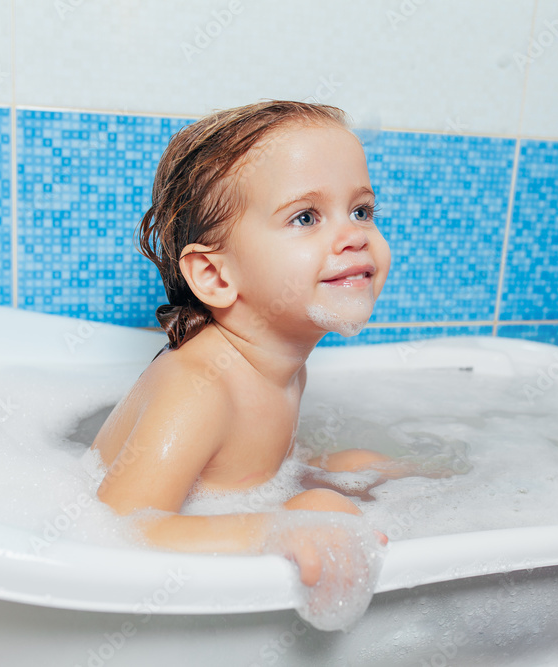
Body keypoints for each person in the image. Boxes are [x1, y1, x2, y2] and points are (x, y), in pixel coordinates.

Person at [89, 100, 401, 588]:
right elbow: (116, 531)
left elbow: (239, 473)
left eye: (360, 211)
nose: (354, 236)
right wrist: (277, 530)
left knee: (359, 466)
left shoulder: (282, 364)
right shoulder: (199, 388)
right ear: (215, 275)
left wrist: (320, 477)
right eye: (306, 217)